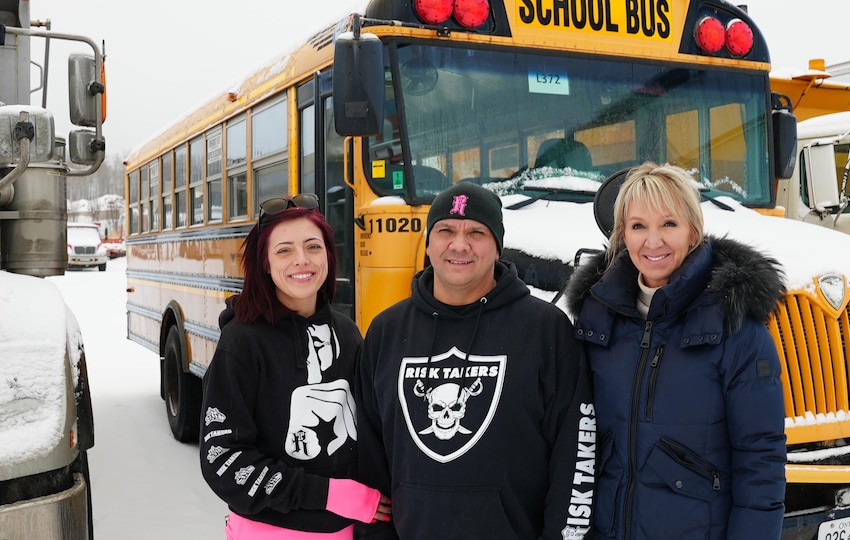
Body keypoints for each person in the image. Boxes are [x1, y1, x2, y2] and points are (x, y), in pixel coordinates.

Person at [354, 182, 596, 540]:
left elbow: (576, 455)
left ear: (497, 245)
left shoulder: (545, 330)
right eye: (446, 230)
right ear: (429, 242)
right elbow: (368, 460)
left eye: (476, 232)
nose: (459, 244)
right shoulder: (386, 331)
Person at [564, 162, 787, 539]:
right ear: (622, 234)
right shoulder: (597, 319)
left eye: (669, 224)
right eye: (638, 226)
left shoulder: (734, 326)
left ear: (694, 232)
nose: (653, 242)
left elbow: (760, 461)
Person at [199, 193, 391, 540]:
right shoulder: (241, 342)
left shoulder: (347, 332)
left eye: (313, 247)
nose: (302, 260)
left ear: (329, 256)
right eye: (284, 250)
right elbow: (222, 460)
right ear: (265, 264)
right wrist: (328, 495)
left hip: (349, 533)